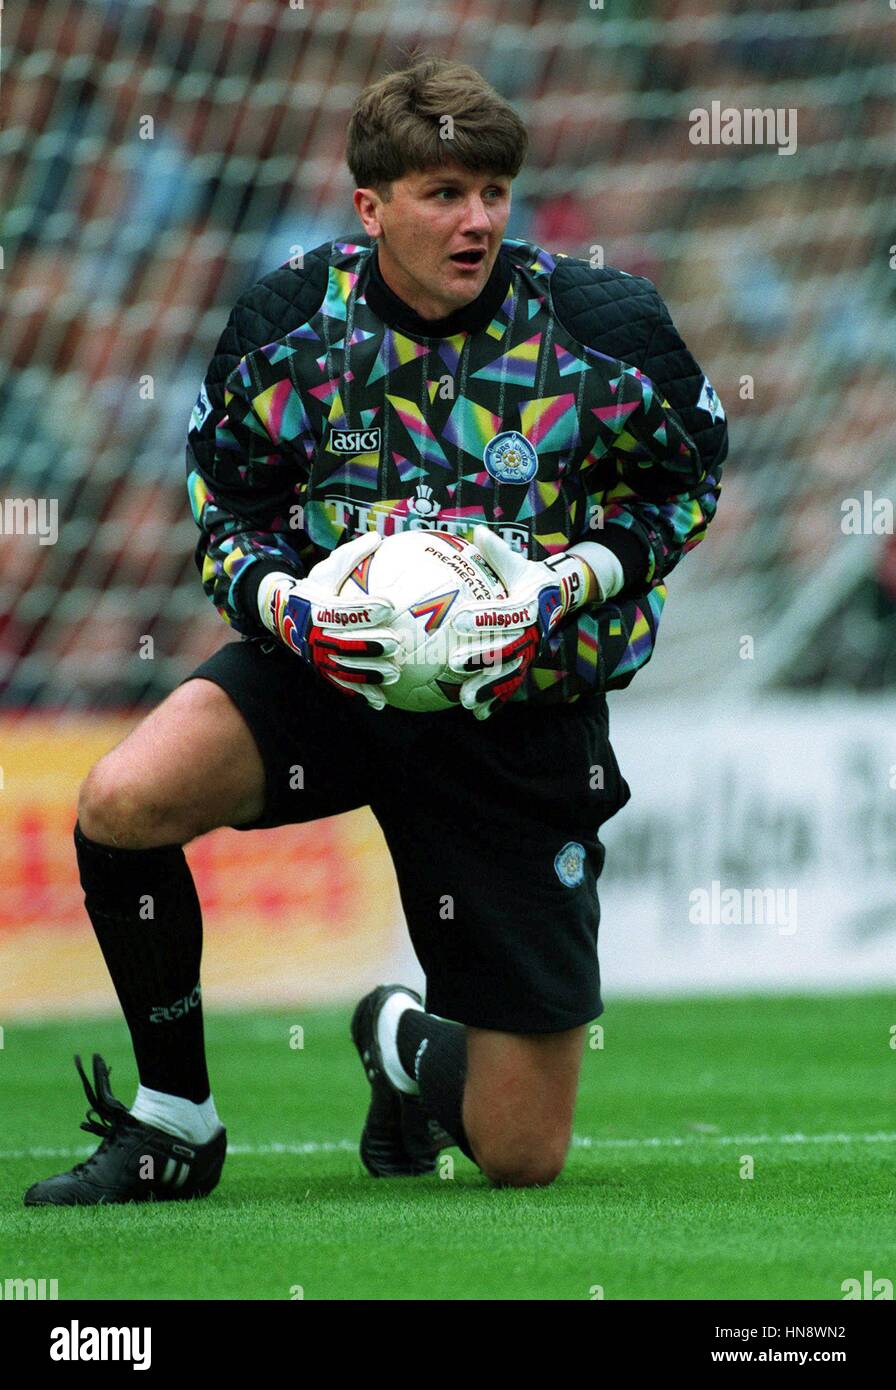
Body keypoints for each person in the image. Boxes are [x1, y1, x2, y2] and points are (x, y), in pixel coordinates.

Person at [24, 54, 726, 1204]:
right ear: (370, 207)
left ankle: (401, 1043)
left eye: (493, 190)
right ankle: (173, 1123)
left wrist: (564, 583)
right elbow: (226, 512)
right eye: (443, 193)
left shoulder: (605, 329)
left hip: (518, 708)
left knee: (520, 1155)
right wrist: (288, 605)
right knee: (121, 802)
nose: (477, 218)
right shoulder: (289, 323)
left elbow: (684, 486)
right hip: (328, 673)